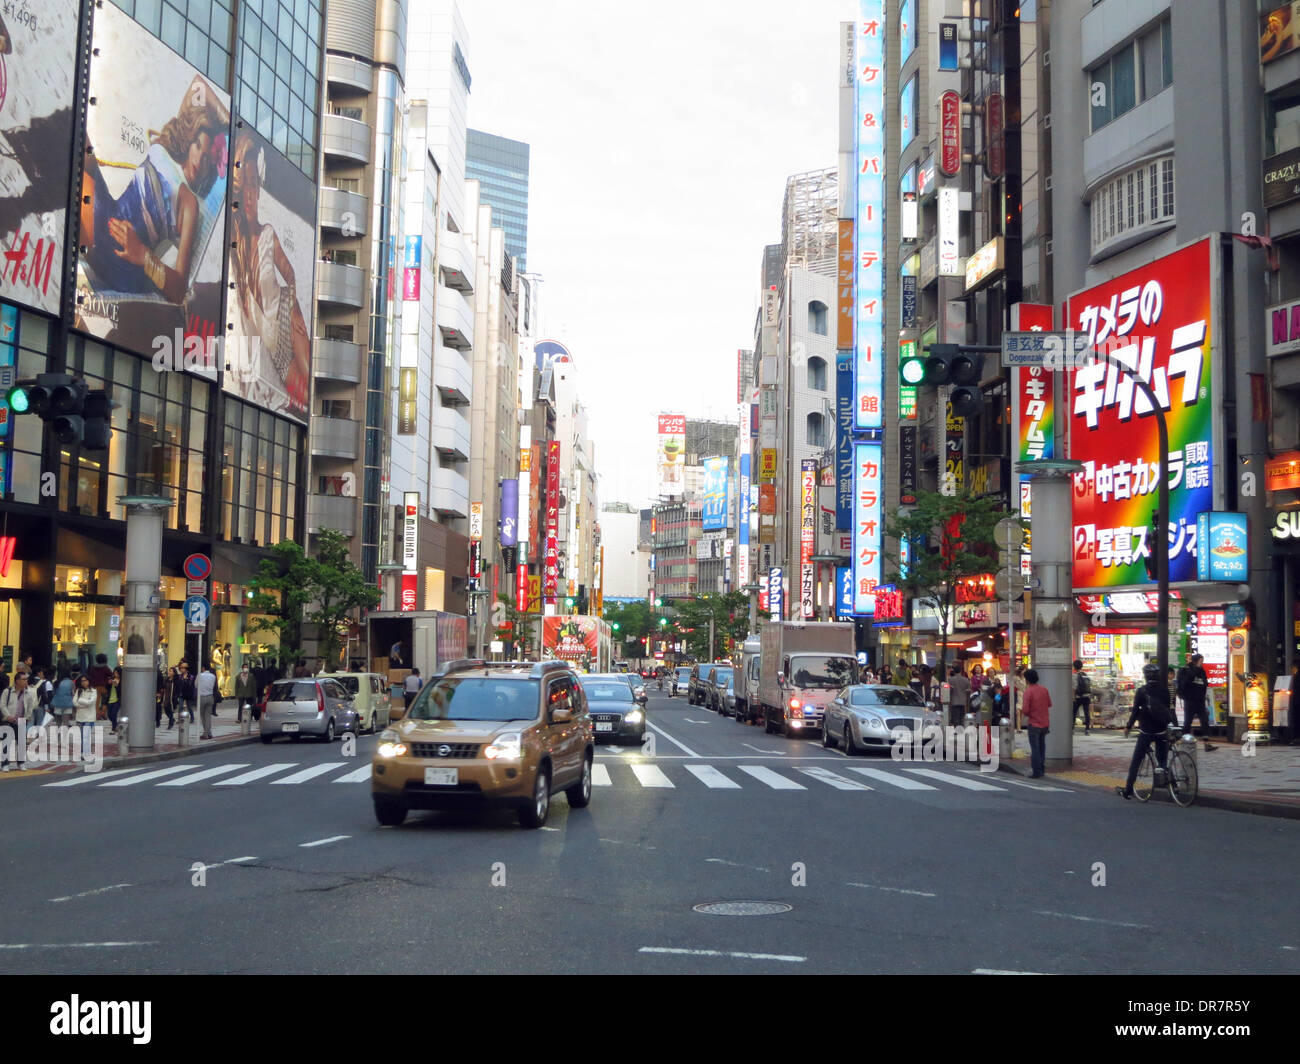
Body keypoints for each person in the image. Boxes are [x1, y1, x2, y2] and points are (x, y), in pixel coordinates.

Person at [79, 74, 229, 301]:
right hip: (109, 213)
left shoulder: (189, 203)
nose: (199, 160)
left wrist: (143, 255)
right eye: (198, 146)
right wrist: (224, 119)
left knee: (76, 165)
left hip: (122, 255)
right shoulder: (164, 148)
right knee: (77, 128)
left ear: (210, 170)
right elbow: (197, 85)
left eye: (208, 159)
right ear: (190, 142)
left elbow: (179, 290)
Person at [1117, 662, 1177, 799]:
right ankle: (1175, 788)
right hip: (1161, 729)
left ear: (1145, 676)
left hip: (1146, 731)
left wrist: (1129, 726)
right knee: (1163, 761)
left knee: (1136, 761)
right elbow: (1168, 709)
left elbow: (1135, 711)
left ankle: (1128, 790)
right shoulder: (1164, 691)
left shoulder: (1142, 691)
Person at [1177, 653, 1215, 751]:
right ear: (1196, 661)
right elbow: (1186, 683)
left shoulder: (1202, 671)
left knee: (1205, 721)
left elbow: (1205, 683)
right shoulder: (1187, 671)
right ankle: (1183, 743)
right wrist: (1195, 670)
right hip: (1190, 700)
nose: (1202, 663)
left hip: (1200, 700)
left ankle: (1207, 744)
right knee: (1187, 722)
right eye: (1201, 661)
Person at [0, 671, 36, 770]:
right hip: (8, 720)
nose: (26, 681)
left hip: (21, 721)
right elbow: (2, 705)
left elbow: (30, 707)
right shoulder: (7, 691)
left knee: (21, 742)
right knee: (6, 743)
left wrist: (28, 717)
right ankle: (5, 764)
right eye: (23, 679)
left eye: (26, 679)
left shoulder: (28, 693)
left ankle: (21, 763)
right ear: (17, 681)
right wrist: (7, 716)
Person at [1020, 668, 1051, 779]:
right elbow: (1049, 704)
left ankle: (1036, 771)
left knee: (1035, 748)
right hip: (1045, 722)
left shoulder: (1028, 692)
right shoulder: (1044, 690)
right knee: (1042, 747)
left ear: (1027, 680)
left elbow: (1025, 710)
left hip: (1034, 723)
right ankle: (1042, 769)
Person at [72, 675, 99, 761]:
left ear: (89, 681)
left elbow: (90, 703)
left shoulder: (93, 691)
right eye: (82, 681)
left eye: (85, 680)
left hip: (89, 718)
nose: (84, 682)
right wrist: (84, 703)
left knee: (86, 737)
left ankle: (86, 754)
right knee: (80, 737)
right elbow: (74, 703)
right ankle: (81, 753)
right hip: (79, 717)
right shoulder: (78, 691)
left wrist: (80, 701)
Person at [88, 653, 114, 721]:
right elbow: (111, 675)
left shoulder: (93, 667)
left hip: (95, 687)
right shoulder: (105, 667)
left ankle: (97, 715)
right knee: (105, 701)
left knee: (96, 702)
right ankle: (103, 714)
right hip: (104, 687)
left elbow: (90, 676)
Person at [196, 662, 218, 739]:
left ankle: (206, 733)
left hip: (202, 697)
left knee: (203, 716)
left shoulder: (200, 675)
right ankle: (208, 732)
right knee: (208, 716)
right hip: (210, 697)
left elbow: (196, 685)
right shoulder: (213, 676)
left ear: (203, 668)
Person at [1072, 659, 1092, 735]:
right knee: (1087, 713)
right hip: (1086, 696)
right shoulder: (1085, 675)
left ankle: (1072, 729)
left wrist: (1073, 697)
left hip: (1078, 697)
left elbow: (1074, 687)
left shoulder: (1074, 676)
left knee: (1073, 713)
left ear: (1074, 667)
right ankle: (1087, 730)